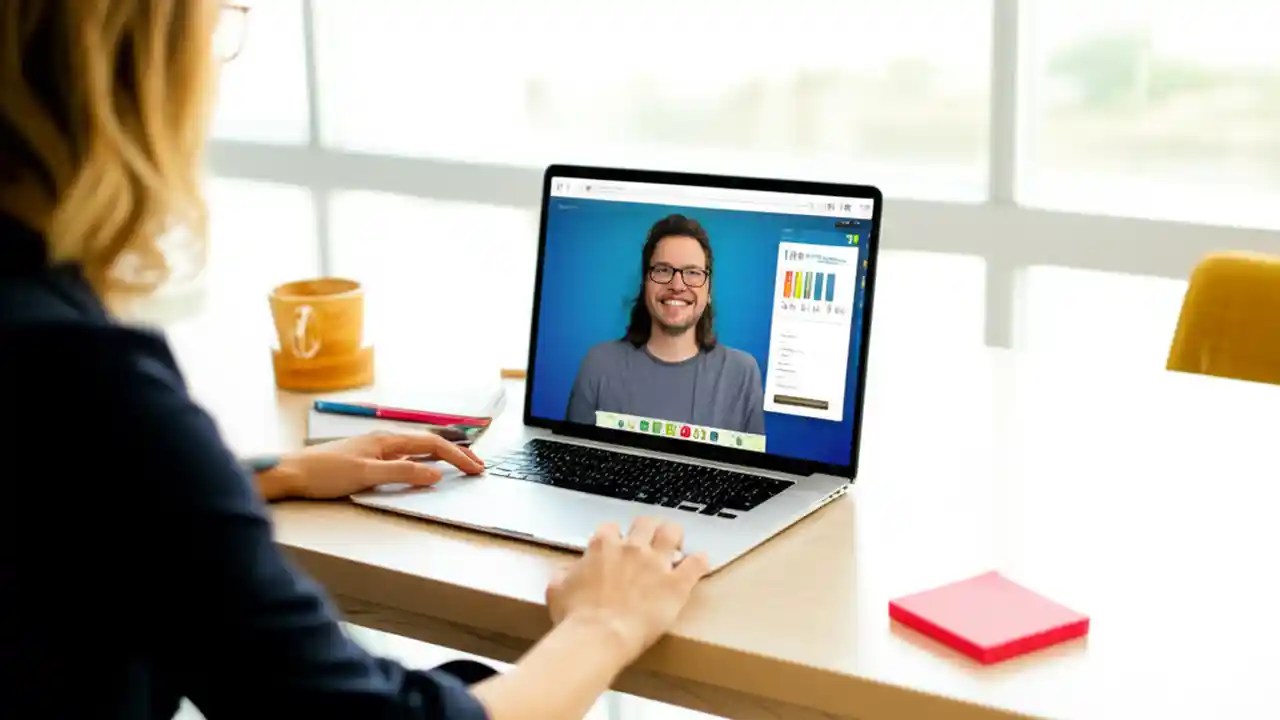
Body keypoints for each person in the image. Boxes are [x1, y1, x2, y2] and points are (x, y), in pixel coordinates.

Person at [0, 2, 708, 719]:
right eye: (212, 24)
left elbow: (69, 491)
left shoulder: (61, 370)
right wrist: (605, 624)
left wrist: (263, 476)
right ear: (126, 66)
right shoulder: (88, 385)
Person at [566, 214, 766, 434]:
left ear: (709, 290)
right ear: (645, 283)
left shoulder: (743, 374)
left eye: (692, 272)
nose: (677, 285)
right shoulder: (598, 365)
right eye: (663, 270)